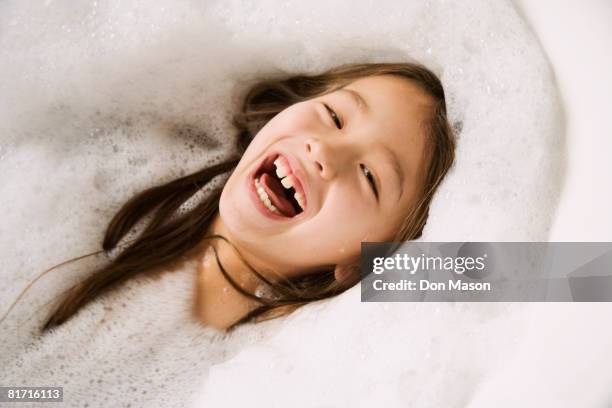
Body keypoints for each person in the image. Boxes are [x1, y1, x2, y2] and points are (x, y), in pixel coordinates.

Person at [27, 62, 455, 332]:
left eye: (369, 176)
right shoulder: (112, 174)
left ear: (367, 262)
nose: (323, 151)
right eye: (335, 115)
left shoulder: (280, 359)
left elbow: (511, 270)